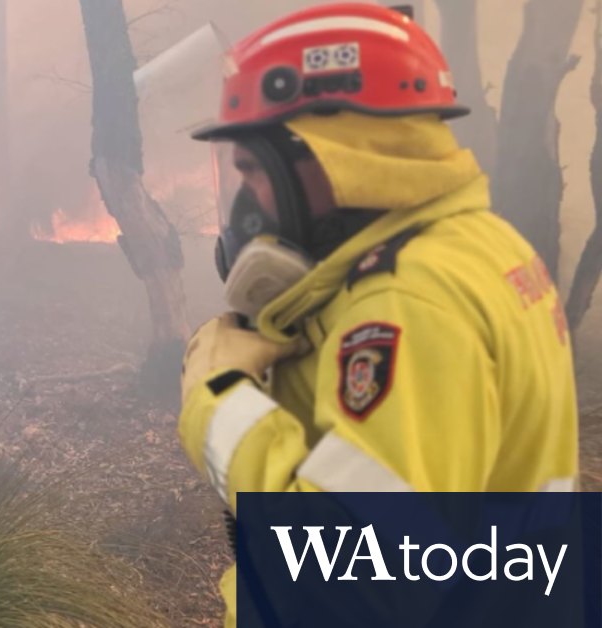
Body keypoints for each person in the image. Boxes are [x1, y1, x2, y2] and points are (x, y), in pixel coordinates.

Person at [175, 3, 579, 625]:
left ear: (336, 155)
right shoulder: (482, 245)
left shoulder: (408, 306)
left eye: (254, 172)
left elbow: (350, 591)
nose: (242, 214)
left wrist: (221, 400)